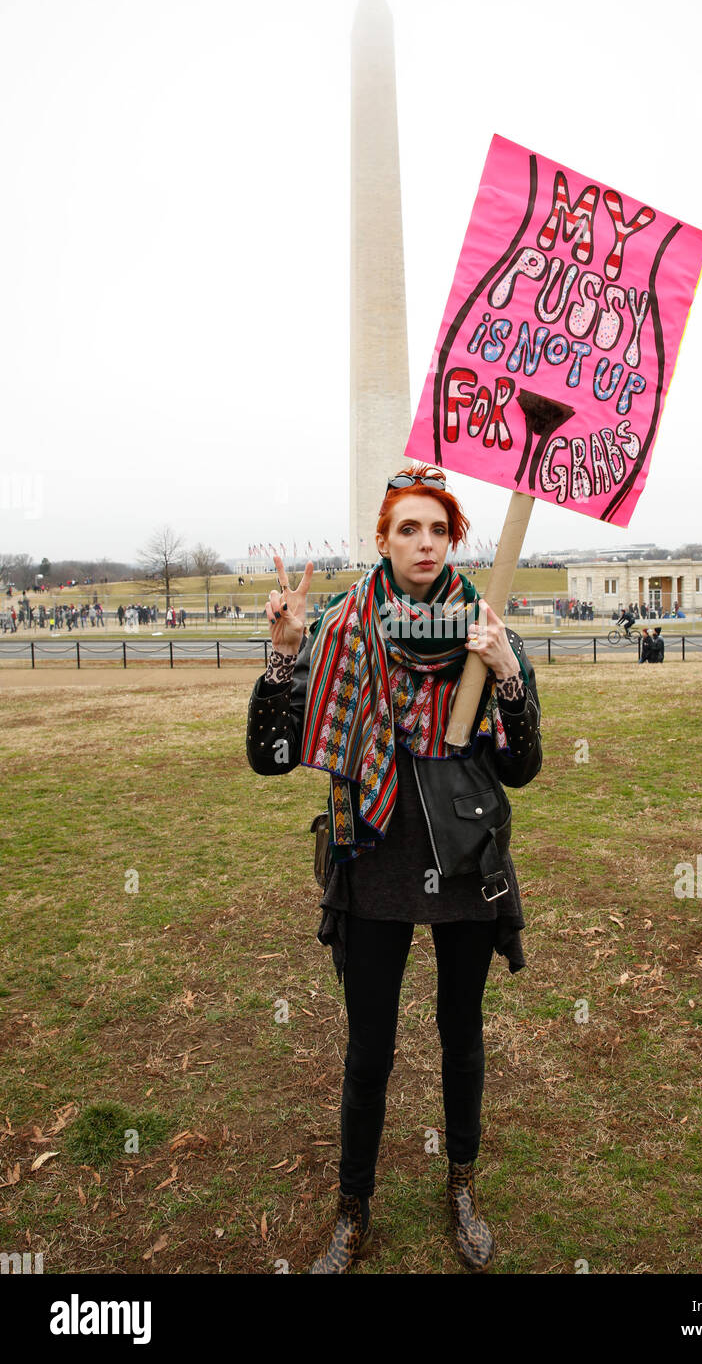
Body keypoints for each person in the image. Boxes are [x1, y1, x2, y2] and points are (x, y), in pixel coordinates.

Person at [246, 463, 542, 1275]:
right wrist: (282, 660)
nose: (423, 542)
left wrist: (508, 677)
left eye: (438, 529)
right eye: (407, 528)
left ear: (455, 541)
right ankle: (353, 1209)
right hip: (373, 855)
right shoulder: (339, 631)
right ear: (381, 540)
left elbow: (523, 769)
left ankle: (461, 1189)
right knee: (368, 1049)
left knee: (461, 1037)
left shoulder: (488, 629)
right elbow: (270, 758)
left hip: (466, 859)